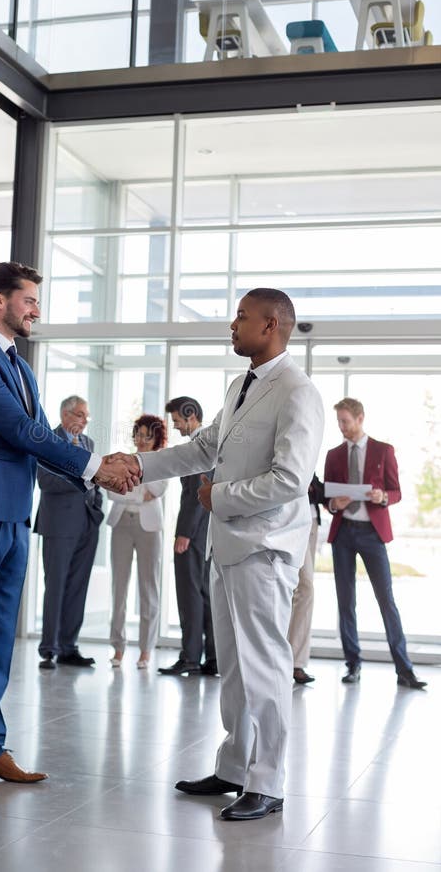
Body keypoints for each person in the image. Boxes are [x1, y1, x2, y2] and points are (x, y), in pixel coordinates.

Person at [0, 261, 136, 801]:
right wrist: (95, 470)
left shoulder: (20, 366)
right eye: (29, 300)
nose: (36, 309)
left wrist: (97, 467)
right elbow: (18, 430)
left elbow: (40, 434)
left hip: (16, 513)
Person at [109, 288, 324, 821]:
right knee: (233, 666)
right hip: (229, 547)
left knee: (266, 667)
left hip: (264, 549)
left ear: (271, 324)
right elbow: (203, 449)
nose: (233, 325)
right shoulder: (240, 386)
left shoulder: (298, 391)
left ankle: (268, 782)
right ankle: (234, 767)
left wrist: (216, 498)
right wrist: (136, 462)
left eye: (242, 317)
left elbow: (291, 479)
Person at [324, 397, 427, 690]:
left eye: (345, 421)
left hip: (372, 533)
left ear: (360, 418)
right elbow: (326, 498)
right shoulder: (333, 455)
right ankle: (353, 664)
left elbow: (396, 491)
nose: (341, 427)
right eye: (339, 422)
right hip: (343, 533)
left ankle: (404, 669)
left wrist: (383, 497)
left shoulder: (384, 450)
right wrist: (333, 503)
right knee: (346, 602)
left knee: (386, 600)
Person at [35, 395, 103, 670]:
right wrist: (83, 480)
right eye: (79, 414)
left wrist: (96, 507)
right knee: (56, 587)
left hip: (87, 523)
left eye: (86, 416)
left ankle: (68, 647)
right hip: (59, 525)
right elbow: (45, 480)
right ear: (65, 415)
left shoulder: (89, 444)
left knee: (78, 587)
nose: (84, 420)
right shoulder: (47, 440)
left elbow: (95, 481)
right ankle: (49, 649)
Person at [158, 396, 217, 676]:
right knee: (205, 594)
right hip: (207, 533)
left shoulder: (198, 445)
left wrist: (184, 533)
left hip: (194, 533)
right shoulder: (208, 443)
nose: (175, 425)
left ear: (190, 415)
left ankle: (191, 657)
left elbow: (195, 494)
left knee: (190, 594)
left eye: (177, 419)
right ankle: (212, 658)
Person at [108, 415, 168, 671]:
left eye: (147, 436)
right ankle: (118, 647)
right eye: (138, 435)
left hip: (149, 529)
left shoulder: (162, 463)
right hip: (121, 525)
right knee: (119, 588)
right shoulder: (121, 459)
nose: (141, 440)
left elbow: (156, 491)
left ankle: (146, 650)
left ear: (156, 439)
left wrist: (129, 488)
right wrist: (135, 490)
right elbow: (112, 490)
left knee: (148, 589)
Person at [288, 474, 325, 685]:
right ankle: (292, 662)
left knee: (302, 590)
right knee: (305, 588)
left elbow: (317, 488)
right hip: (291, 522)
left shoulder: (307, 448)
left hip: (310, 522)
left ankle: (295, 661)